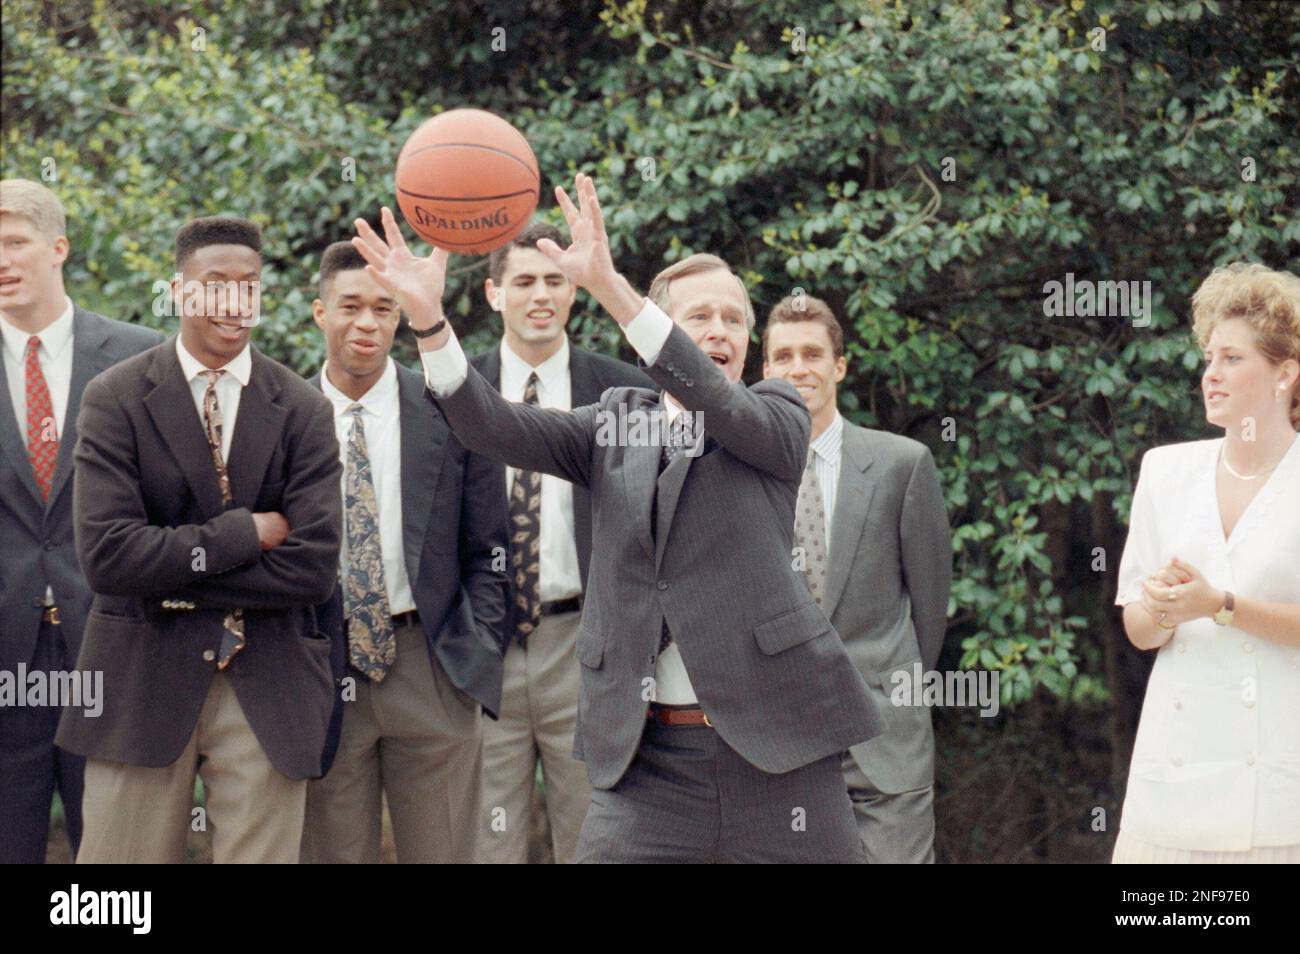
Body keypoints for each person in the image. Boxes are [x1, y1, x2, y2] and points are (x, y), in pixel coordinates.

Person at [351, 174, 881, 863]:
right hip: (646, 763)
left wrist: (608, 286)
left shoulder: (775, 415)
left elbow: (715, 397)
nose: (719, 331)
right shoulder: (612, 425)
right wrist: (429, 321)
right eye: (699, 317)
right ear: (656, 336)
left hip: (779, 757)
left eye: (733, 320)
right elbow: (489, 425)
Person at [56, 216, 342, 863]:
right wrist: (246, 533)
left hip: (267, 685)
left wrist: (168, 570)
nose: (235, 301)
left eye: (250, 286)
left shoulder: (301, 409)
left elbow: (313, 571)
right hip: (139, 681)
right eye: (216, 284)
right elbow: (107, 556)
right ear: (179, 291)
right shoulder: (116, 399)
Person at [299, 242, 507, 864]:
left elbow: (490, 547)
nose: (367, 322)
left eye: (383, 309)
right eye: (351, 306)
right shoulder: (283, 412)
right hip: (322, 667)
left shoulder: (450, 408)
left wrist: (478, 649)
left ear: (399, 317)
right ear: (319, 312)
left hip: (432, 663)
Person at [470, 223, 653, 864]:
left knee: (595, 836)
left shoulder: (624, 393)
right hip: (484, 647)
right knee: (488, 843)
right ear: (495, 294)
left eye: (555, 279)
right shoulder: (452, 391)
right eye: (523, 281)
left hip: (585, 643)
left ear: (574, 288)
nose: (540, 295)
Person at [1113, 262, 1300, 863]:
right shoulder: (1165, 471)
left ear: (1285, 374)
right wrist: (1164, 607)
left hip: (1279, 786)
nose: (1210, 376)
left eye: (1232, 359)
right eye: (1208, 359)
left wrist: (1219, 605)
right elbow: (1138, 631)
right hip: (1173, 782)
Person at [0, 179, 162, 863]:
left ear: (58, 247)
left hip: (114, 646)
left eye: (14, 242)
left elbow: (168, 500)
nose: (1, 259)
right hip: (6, 653)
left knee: (117, 852)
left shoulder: (142, 356)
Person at [762, 295, 951, 863]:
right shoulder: (744, 471)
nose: (800, 368)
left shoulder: (902, 464)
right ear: (765, 370)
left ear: (839, 366)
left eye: (813, 353)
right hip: (777, 745)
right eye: (785, 356)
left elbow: (929, 608)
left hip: (884, 739)